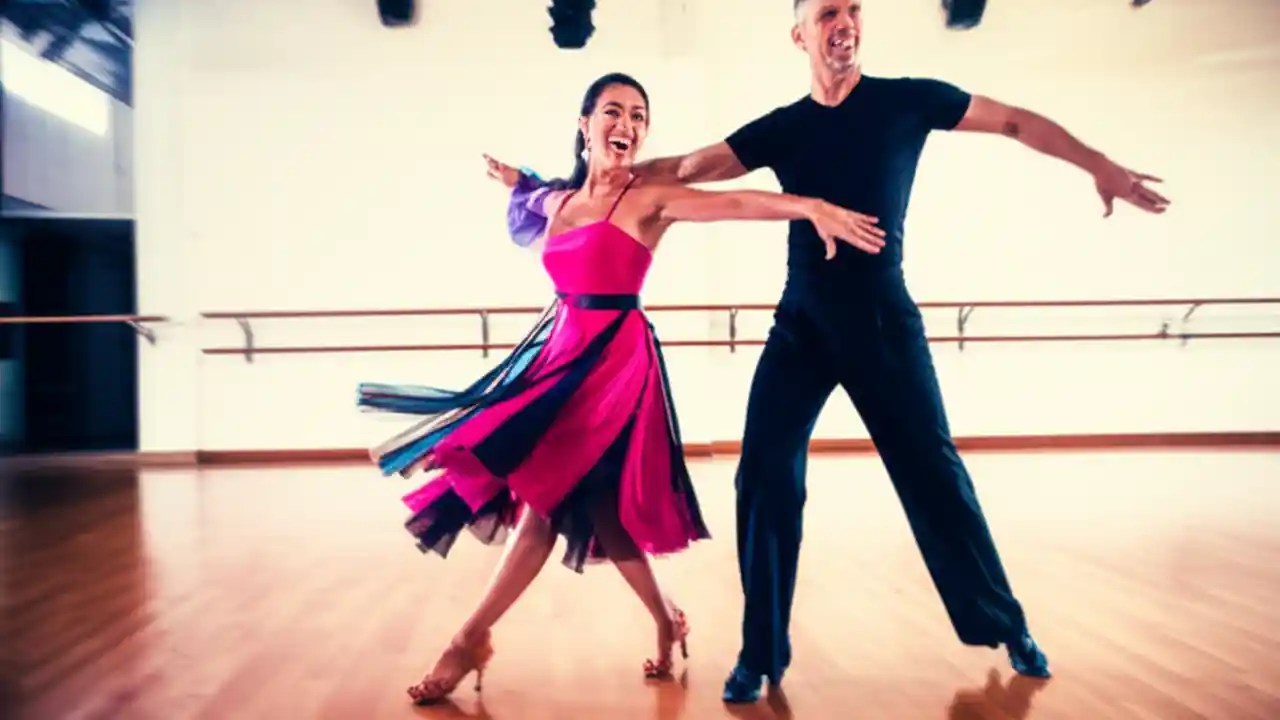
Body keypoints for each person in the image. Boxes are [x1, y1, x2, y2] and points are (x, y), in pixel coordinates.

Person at [484, 0, 1171, 705]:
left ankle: (1006, 624)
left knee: (935, 478)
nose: (844, 22)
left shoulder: (909, 101)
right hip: (802, 328)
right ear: (801, 34)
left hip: (882, 323)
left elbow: (1015, 122)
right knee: (763, 478)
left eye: (852, 9)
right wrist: (562, 184)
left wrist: (1099, 164)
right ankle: (760, 654)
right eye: (827, 13)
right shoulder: (786, 127)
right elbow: (686, 166)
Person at [356, 71, 887, 706]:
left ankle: (467, 639)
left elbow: (738, 204)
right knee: (598, 512)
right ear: (584, 125)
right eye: (613, 111)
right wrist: (515, 179)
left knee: (545, 502)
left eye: (638, 116)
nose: (627, 125)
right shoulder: (558, 202)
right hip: (558, 360)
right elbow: (534, 191)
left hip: (613, 366)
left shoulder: (649, 199)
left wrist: (809, 206)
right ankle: (666, 620)